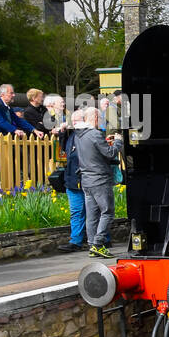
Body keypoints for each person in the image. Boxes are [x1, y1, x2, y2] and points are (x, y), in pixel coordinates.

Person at [74, 107, 123, 258]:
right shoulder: (95, 134)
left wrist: (105, 142)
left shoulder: (79, 135)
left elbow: (93, 151)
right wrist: (118, 143)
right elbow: (110, 154)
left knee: (92, 215)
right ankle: (98, 243)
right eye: (100, 117)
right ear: (95, 117)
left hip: (86, 179)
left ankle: (91, 245)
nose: (101, 120)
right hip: (100, 179)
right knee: (107, 212)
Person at [51, 96, 85, 253]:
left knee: (93, 212)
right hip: (72, 179)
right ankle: (76, 240)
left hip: (86, 179)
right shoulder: (70, 137)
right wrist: (62, 132)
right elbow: (64, 150)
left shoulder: (89, 136)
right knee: (76, 211)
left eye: (77, 120)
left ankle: (100, 239)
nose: (74, 123)